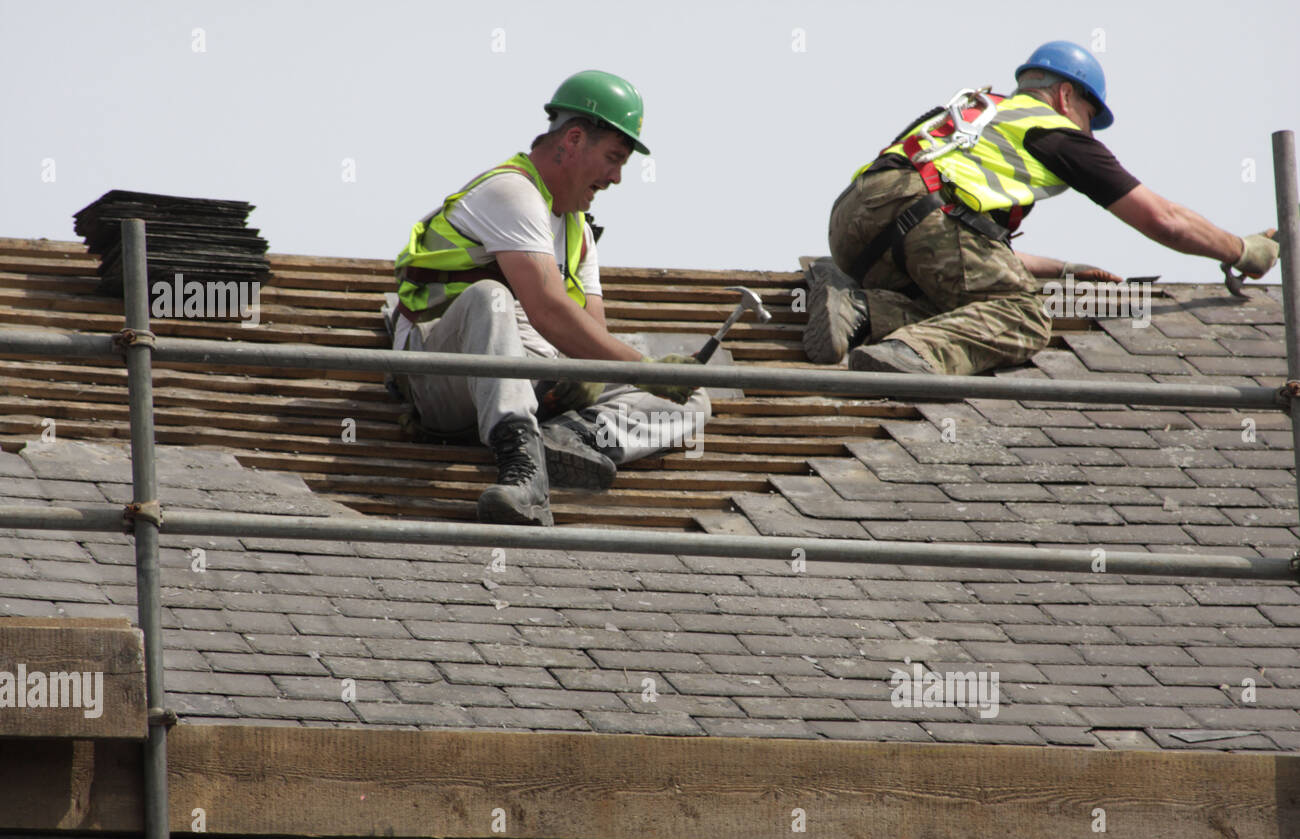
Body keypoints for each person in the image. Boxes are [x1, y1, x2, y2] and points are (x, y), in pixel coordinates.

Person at [805, 40, 1280, 376]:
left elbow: (958, 249)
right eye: (1090, 118)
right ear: (1066, 95)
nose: (1089, 132)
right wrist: (1241, 250)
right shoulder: (1053, 131)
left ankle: (859, 309)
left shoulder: (973, 115)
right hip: (927, 222)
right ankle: (910, 356)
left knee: (962, 306)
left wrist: (1065, 267)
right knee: (1021, 316)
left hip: (852, 225)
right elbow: (1164, 220)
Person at [383, 70, 709, 527]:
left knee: (693, 401)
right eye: (614, 158)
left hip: (536, 386)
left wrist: (602, 380)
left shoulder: (579, 232)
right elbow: (548, 309)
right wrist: (646, 370)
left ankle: (566, 440)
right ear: (574, 139)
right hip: (448, 379)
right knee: (489, 297)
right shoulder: (511, 192)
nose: (616, 178)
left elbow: (591, 336)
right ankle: (524, 470)